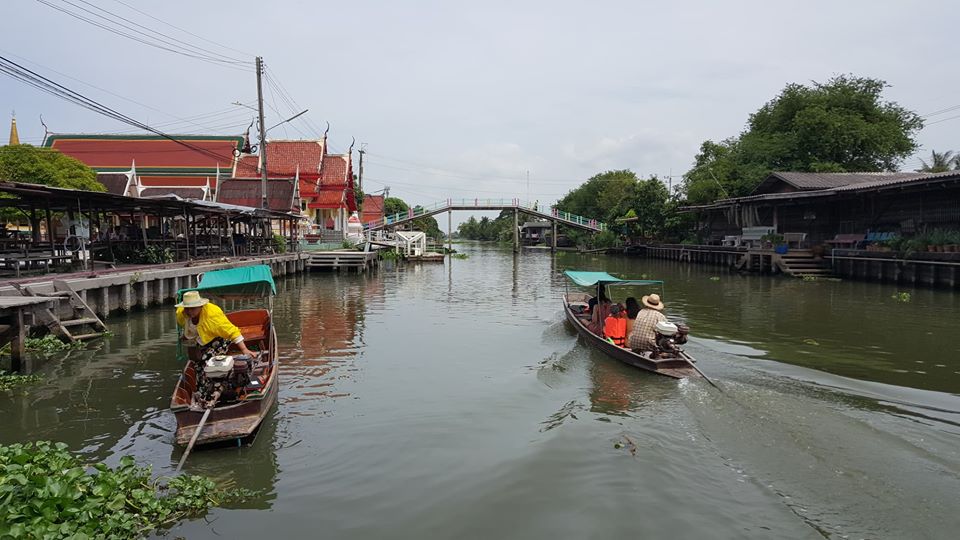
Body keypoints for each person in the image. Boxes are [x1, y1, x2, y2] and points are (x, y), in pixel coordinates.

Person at [175, 290, 257, 359]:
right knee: (195, 360)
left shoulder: (213, 316)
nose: (189, 311)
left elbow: (232, 331)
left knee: (209, 361)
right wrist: (186, 335)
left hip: (218, 338)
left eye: (193, 308)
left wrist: (244, 349)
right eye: (187, 308)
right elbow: (191, 327)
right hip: (201, 339)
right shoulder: (181, 313)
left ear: (201, 306)